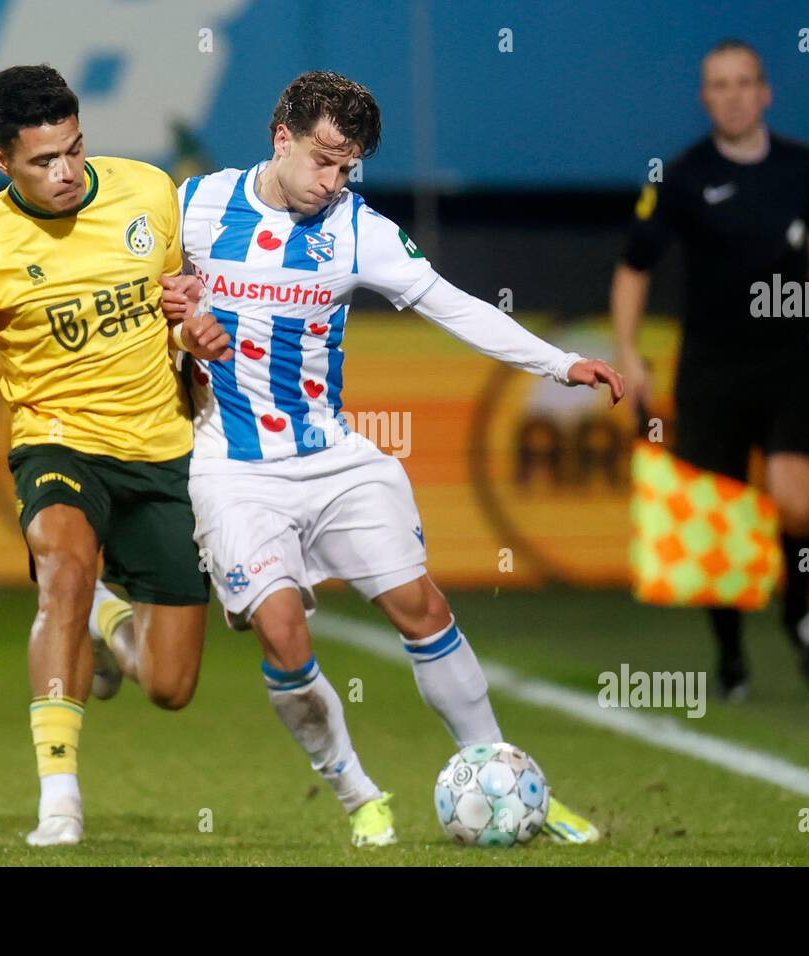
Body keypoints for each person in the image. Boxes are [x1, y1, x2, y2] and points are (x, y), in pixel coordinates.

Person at [160, 70, 623, 846]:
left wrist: (558, 363)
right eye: (323, 160)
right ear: (282, 138)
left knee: (424, 610)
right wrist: (180, 331)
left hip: (334, 459)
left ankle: (513, 786)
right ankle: (357, 793)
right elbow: (142, 300)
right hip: (234, 467)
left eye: (348, 167)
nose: (333, 181)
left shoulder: (356, 229)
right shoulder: (195, 206)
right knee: (282, 630)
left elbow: (454, 303)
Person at [0, 64, 229, 847]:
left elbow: (177, 308)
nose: (66, 173)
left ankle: (106, 619)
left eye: (73, 150)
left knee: (170, 687)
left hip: (163, 452)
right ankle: (60, 800)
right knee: (62, 571)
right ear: (2, 162)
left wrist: (193, 327)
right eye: (43, 160)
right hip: (58, 441)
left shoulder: (148, 193)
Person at [610, 40, 809, 699]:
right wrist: (630, 354)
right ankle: (731, 656)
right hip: (710, 370)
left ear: (764, 92)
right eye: (720, 84)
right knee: (721, 526)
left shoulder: (806, 167)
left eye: (745, 82)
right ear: (706, 97)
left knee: (798, 506)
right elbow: (634, 268)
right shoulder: (681, 177)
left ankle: (797, 611)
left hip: (789, 363)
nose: (734, 94)